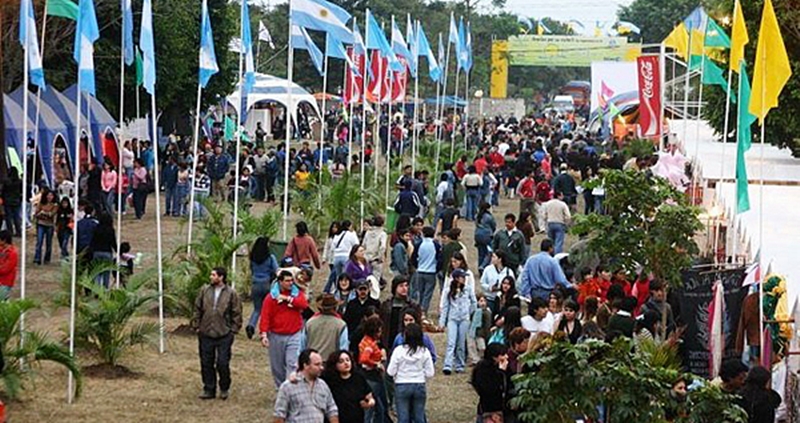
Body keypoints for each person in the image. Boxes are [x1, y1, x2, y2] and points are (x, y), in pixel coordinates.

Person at [193, 267, 242, 400]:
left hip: (224, 333)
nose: (211, 277)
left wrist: (233, 330)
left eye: (213, 275)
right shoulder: (204, 291)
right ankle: (209, 389)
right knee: (206, 362)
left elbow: (237, 312)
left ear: (221, 277)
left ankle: (224, 387)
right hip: (206, 332)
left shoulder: (231, 293)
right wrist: (196, 325)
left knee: (222, 362)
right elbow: (197, 308)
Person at [260, 270, 309, 389]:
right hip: (275, 335)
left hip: (294, 334)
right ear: (280, 282)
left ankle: (292, 389)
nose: (290, 283)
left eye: (291, 280)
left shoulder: (297, 293)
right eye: (287, 281)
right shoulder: (270, 298)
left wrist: (288, 299)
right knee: (277, 366)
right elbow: (265, 316)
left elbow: (303, 304)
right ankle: (281, 388)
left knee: (292, 363)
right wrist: (264, 334)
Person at [273, 349, 340, 423]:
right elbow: (279, 415)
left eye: (321, 364)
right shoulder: (288, 387)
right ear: (305, 365)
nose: (321, 368)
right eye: (317, 364)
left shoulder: (323, 385)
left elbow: (332, 410)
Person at [387, 323, 435, 423]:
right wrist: (421, 373)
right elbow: (430, 373)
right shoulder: (424, 351)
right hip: (419, 384)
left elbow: (390, 371)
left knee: (403, 418)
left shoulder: (398, 351)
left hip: (402, 384)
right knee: (419, 417)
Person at [439, 269, 477, 375]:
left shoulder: (468, 289)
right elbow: (445, 307)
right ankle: (448, 364)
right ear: (456, 278)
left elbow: (474, 302)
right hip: (453, 319)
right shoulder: (448, 291)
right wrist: (442, 322)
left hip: (464, 319)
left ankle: (460, 364)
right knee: (451, 342)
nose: (464, 279)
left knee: (461, 343)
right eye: (462, 277)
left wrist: (469, 312)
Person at [321, 350, 374, 423]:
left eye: (348, 360)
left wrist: (369, 403)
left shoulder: (358, 378)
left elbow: (369, 396)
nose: (346, 363)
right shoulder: (328, 380)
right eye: (341, 361)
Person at [246, 237, 278, 339]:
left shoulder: (253, 258)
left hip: (255, 284)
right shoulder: (270, 258)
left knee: (257, 309)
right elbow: (276, 270)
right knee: (268, 309)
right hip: (267, 284)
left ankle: (251, 325)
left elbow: (251, 270)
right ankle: (265, 330)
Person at [359, 316, 389, 423]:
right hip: (372, 377)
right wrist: (377, 364)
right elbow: (364, 359)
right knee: (372, 409)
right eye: (379, 331)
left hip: (368, 376)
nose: (380, 333)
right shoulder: (370, 345)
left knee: (379, 409)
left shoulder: (365, 340)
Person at [471, 343, 511, 422]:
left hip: (503, 407)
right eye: (502, 355)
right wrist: (501, 372)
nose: (506, 357)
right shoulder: (483, 370)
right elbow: (489, 389)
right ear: (494, 357)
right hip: (489, 408)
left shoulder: (506, 367)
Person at [304, 294, 349, 360]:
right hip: (331, 362)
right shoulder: (341, 325)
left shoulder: (309, 323)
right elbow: (343, 349)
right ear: (335, 307)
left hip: (312, 361)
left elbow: (302, 346)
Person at [410, 226, 441, 315]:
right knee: (428, 293)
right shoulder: (436, 245)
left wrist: (417, 266)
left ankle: (419, 309)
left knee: (420, 292)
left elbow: (413, 257)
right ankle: (423, 310)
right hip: (431, 272)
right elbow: (439, 259)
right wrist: (437, 269)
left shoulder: (419, 244)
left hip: (420, 270)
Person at [329, 220, 360, 293]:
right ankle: (348, 291)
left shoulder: (337, 235)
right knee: (348, 276)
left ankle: (338, 291)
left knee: (338, 276)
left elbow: (332, 248)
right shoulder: (351, 234)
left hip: (336, 257)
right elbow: (356, 244)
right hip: (346, 256)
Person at [481, 251, 515, 316]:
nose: (492, 258)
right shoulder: (488, 269)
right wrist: (490, 288)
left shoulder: (509, 272)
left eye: (494, 257)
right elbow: (482, 283)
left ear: (500, 259)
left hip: (502, 300)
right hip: (490, 298)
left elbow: (512, 285)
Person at [90, 213, 117, 288]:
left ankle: (97, 287)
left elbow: (93, 241)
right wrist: (117, 250)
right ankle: (105, 288)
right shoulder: (110, 230)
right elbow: (113, 242)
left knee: (97, 271)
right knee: (106, 272)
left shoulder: (96, 229)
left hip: (97, 252)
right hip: (107, 252)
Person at [33, 190, 58, 265]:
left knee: (49, 242)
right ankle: (37, 258)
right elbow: (37, 213)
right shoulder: (41, 203)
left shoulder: (55, 205)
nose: (49, 197)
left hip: (49, 225)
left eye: (51, 195)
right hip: (40, 224)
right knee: (39, 241)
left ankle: (47, 258)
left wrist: (43, 212)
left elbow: (52, 214)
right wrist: (43, 213)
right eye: (48, 195)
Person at [468, 294, 493, 366]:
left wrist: (487, 334)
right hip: (473, 331)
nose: (483, 303)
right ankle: (475, 360)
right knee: (471, 346)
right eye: (481, 301)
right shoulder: (474, 311)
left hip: (481, 333)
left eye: (484, 301)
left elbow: (488, 324)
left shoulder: (487, 312)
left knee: (482, 347)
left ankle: (481, 359)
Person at [362, 216, 388, 283]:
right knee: (375, 281)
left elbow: (363, 245)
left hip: (366, 259)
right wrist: (380, 256)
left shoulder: (368, 232)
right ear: (382, 224)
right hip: (376, 260)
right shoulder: (383, 234)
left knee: (366, 279)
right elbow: (383, 247)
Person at [474, 202, 496, 272]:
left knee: (481, 253)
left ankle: (480, 266)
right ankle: (483, 266)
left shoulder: (477, 216)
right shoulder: (489, 217)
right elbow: (493, 226)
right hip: (487, 236)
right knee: (489, 252)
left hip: (477, 235)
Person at [0, 231, 18, 300]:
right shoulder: (2, 250)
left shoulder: (12, 253)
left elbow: (6, 269)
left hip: (6, 281)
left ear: (4, 240)